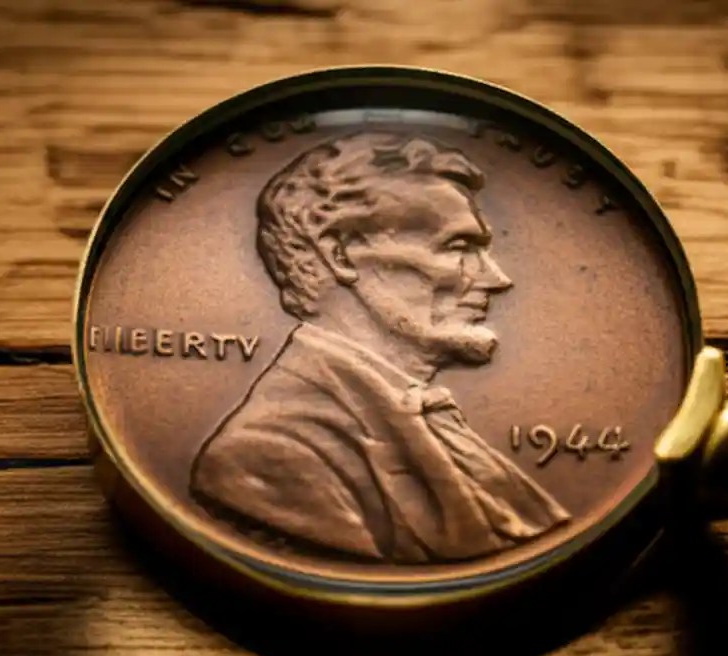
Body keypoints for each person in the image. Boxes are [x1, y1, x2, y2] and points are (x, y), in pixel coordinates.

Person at [190, 131, 571, 563]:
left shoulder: (430, 419)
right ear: (340, 255)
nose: (496, 278)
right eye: (459, 247)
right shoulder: (265, 455)